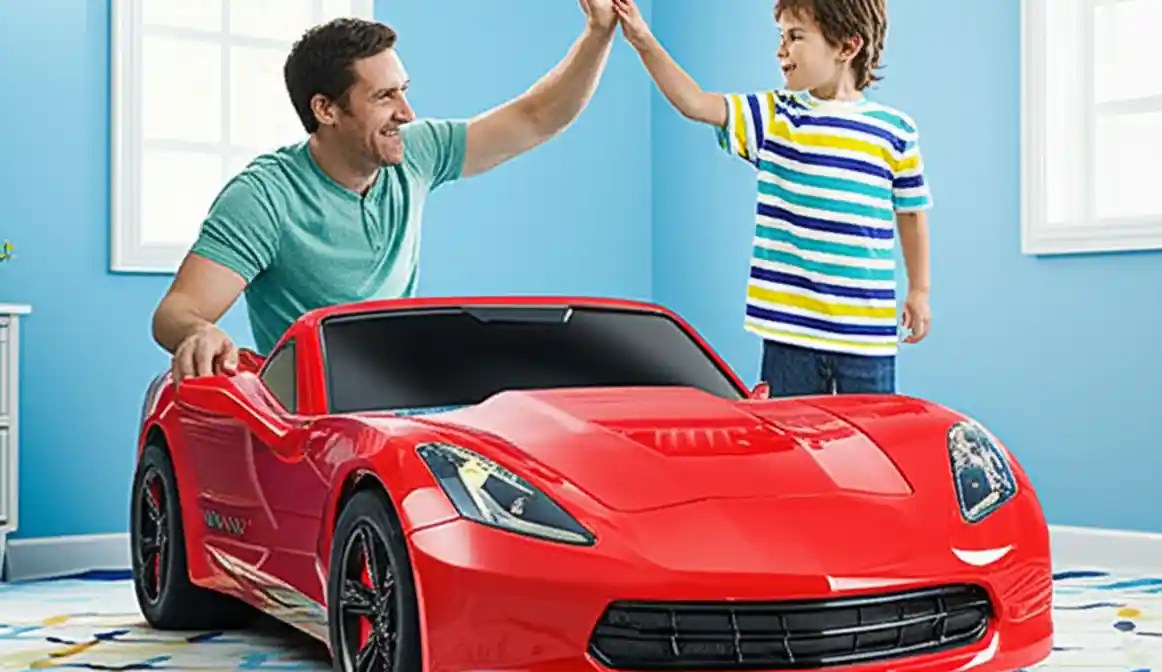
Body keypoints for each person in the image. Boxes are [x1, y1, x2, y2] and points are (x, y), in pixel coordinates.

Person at [153, 2, 619, 381]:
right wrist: (199, 331)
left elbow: (536, 118)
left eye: (403, 90)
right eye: (384, 97)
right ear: (327, 109)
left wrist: (598, 34)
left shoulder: (414, 153)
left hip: (398, 390)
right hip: (310, 414)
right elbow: (177, 309)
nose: (407, 112)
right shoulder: (266, 197)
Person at [612, 0, 932, 396]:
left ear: (847, 47)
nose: (781, 50)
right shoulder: (773, 116)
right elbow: (694, 102)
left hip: (866, 336)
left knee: (869, 446)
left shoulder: (895, 131)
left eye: (795, 37)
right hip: (789, 333)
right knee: (789, 445)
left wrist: (919, 290)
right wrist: (643, 40)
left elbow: (912, 213)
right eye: (781, 36)